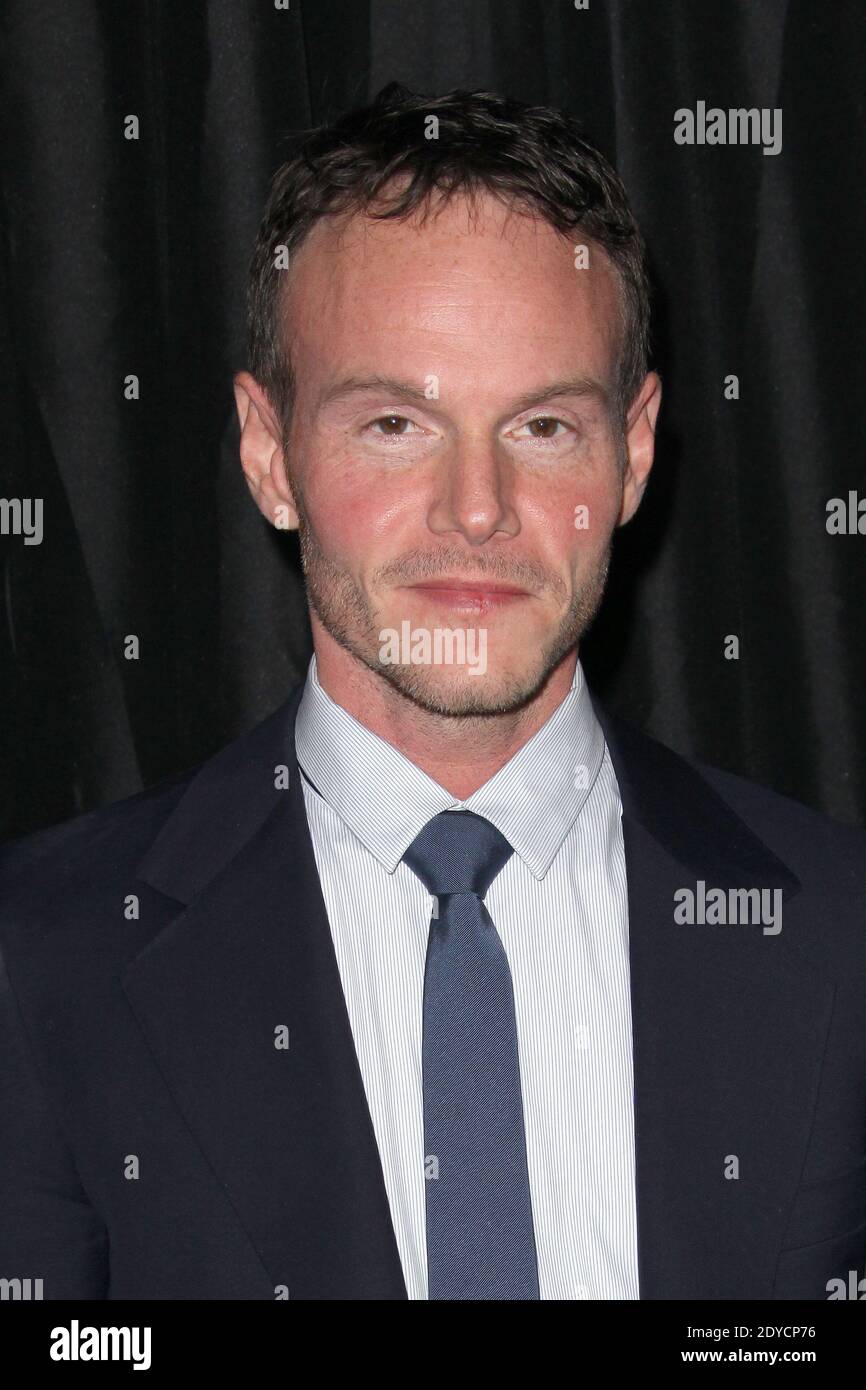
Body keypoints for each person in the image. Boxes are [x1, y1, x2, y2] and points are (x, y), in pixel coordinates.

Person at [1, 83, 864, 1302]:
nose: (477, 509)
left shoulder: (838, 933)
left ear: (633, 450)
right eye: (397, 422)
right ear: (269, 452)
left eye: (544, 427)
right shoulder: (43, 966)